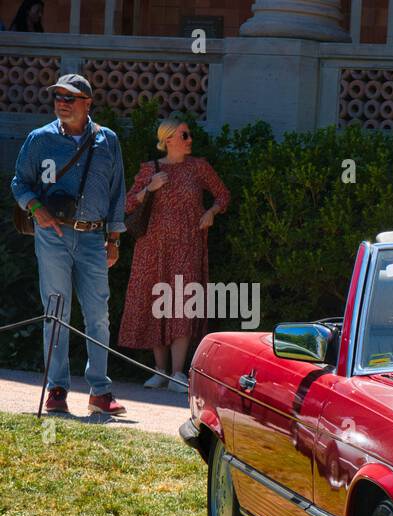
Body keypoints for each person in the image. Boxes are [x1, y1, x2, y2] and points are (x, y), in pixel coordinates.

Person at [10, 74, 127, 415]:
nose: (62, 102)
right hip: (53, 235)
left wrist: (114, 238)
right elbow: (20, 182)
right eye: (58, 96)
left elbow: (117, 191)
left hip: (93, 236)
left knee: (98, 315)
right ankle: (57, 387)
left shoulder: (107, 140)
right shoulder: (39, 139)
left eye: (70, 97)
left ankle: (100, 391)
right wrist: (34, 207)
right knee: (56, 310)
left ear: (88, 103)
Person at [119, 117, 230, 392]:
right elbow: (126, 203)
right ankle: (159, 370)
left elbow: (223, 195)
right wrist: (149, 187)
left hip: (187, 245)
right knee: (157, 304)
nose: (189, 139)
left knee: (181, 304)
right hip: (153, 249)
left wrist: (210, 213)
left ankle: (178, 374)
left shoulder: (198, 167)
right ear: (168, 139)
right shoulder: (150, 169)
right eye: (184, 135)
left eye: (188, 134)